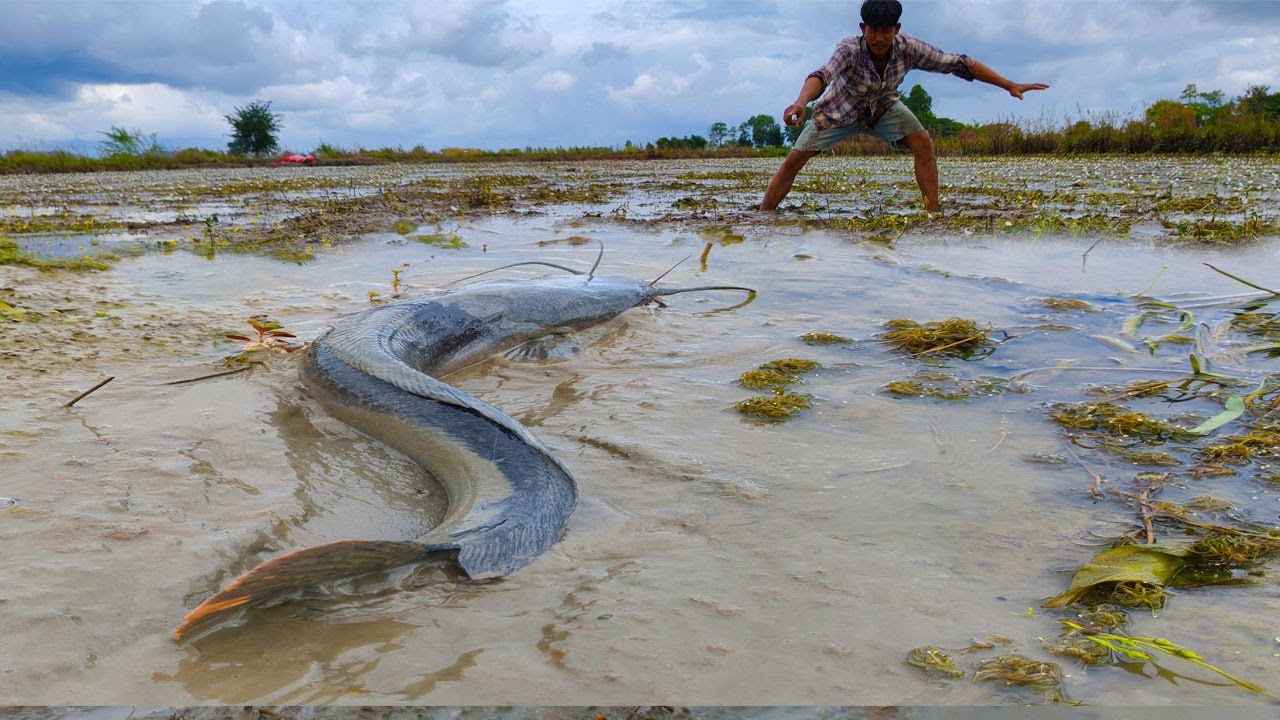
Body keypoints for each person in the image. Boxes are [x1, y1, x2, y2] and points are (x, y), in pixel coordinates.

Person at [759, 0, 1049, 213]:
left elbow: (959, 63)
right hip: (840, 109)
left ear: (896, 29)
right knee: (795, 159)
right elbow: (822, 75)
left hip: (883, 107)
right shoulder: (849, 49)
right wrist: (800, 102)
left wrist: (1009, 84)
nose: (880, 38)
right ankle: (763, 214)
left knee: (922, 140)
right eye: (874, 30)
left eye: (886, 31)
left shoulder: (908, 48)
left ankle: (933, 212)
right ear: (863, 28)